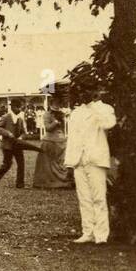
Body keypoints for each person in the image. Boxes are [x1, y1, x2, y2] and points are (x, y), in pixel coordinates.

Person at [65, 87, 117, 243]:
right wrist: (69, 162)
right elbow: (72, 138)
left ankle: (101, 235)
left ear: (97, 92)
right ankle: (87, 232)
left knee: (99, 198)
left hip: (96, 159)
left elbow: (109, 124)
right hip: (78, 159)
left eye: (88, 91)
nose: (84, 94)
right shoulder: (76, 112)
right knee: (84, 198)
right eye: (82, 91)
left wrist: (95, 105)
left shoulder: (105, 109)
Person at [14, 111, 73, 189]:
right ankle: (49, 181)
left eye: (59, 102)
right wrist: (55, 122)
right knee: (46, 163)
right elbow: (48, 128)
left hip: (60, 140)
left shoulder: (61, 114)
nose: (58, 105)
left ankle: (64, 180)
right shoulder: (47, 114)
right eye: (56, 102)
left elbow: (62, 128)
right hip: (50, 141)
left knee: (62, 160)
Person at [0, 100, 26, 189]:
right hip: (7, 146)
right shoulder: (6, 117)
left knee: (21, 164)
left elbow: (23, 132)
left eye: (20, 107)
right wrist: (7, 133)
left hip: (17, 145)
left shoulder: (20, 119)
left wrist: (21, 137)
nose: (19, 109)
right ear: (12, 107)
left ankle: (20, 184)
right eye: (17, 107)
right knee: (7, 165)